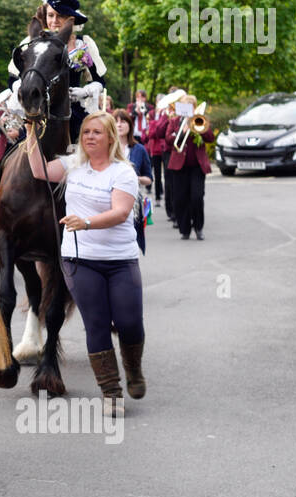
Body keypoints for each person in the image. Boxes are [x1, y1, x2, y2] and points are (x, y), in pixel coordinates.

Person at [25, 111, 145, 416]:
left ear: (110, 138)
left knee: (130, 323)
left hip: (119, 259)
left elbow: (120, 212)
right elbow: (38, 170)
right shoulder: (72, 166)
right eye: (86, 132)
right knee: (96, 323)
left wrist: (86, 222)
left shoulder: (123, 172)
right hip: (80, 259)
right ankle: (111, 391)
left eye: (97, 132)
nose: (90, 136)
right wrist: (30, 132)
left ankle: (132, 368)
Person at [9, 0, 108, 145]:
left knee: (94, 142)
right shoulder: (33, 42)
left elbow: (100, 82)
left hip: (72, 111)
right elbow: (13, 77)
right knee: (16, 148)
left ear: (71, 19)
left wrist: (84, 92)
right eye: (50, 15)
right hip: (38, 105)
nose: (54, 20)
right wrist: (27, 90)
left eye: (60, 16)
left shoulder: (83, 44)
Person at [162, 95, 214, 241]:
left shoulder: (199, 119)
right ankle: (184, 229)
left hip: (197, 167)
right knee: (180, 199)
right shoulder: (174, 121)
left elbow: (210, 138)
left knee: (197, 197)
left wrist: (200, 127)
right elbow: (168, 139)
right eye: (184, 107)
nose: (187, 110)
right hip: (179, 167)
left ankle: (198, 227)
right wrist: (182, 131)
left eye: (190, 107)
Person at [114, 108, 153, 254]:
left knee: (132, 238)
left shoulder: (139, 149)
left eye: (123, 121)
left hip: (133, 202)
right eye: (116, 121)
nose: (119, 125)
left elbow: (149, 179)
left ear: (130, 125)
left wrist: (134, 179)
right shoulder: (105, 148)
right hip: (109, 199)